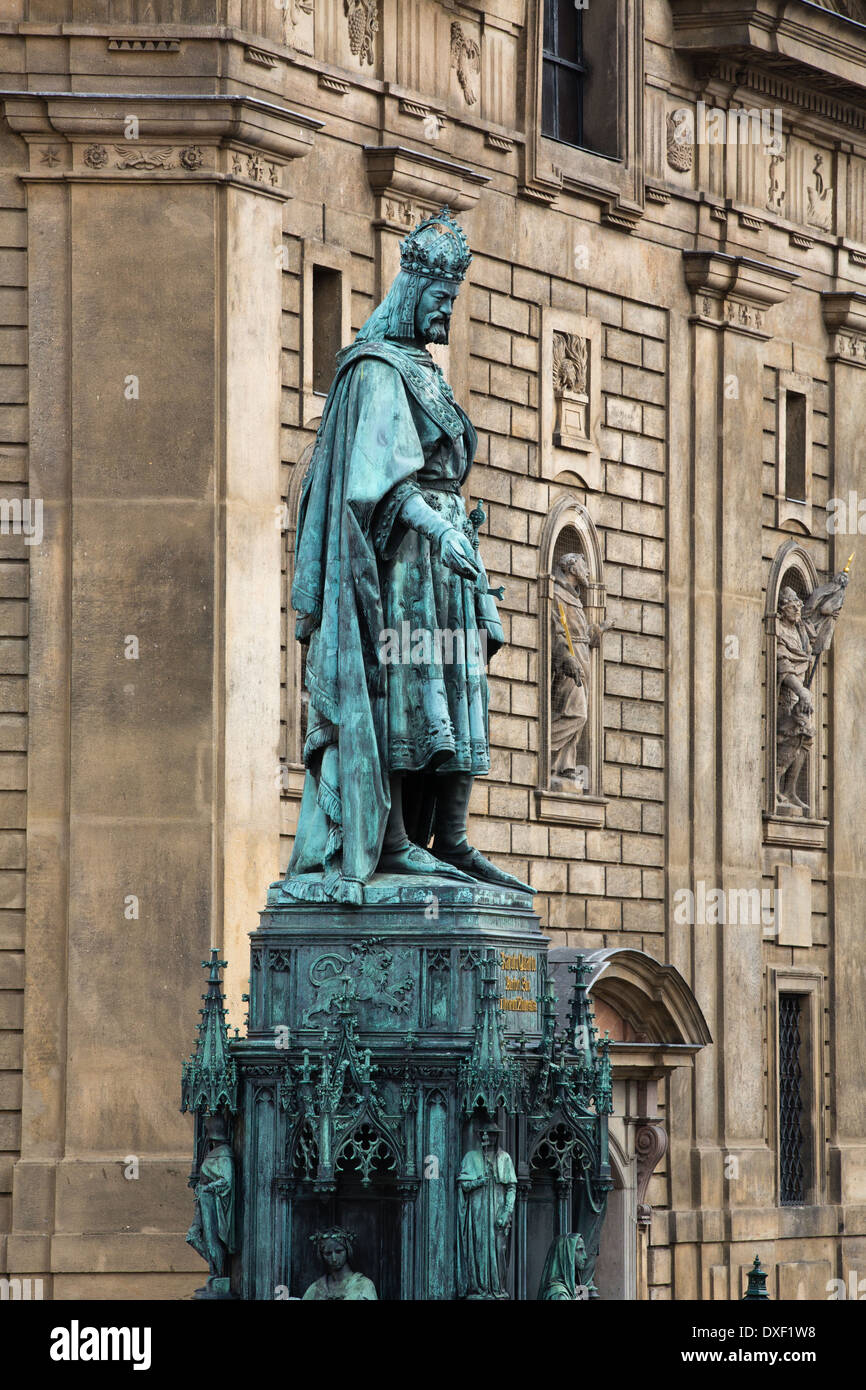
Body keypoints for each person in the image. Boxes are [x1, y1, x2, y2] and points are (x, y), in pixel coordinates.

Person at [285, 208, 530, 904]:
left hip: (447, 564)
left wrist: (461, 533)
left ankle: (448, 838)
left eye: (452, 301)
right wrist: (438, 528)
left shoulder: (421, 367)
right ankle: (391, 842)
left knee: (460, 681)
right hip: (402, 568)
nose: (445, 313)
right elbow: (379, 481)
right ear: (414, 290)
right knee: (405, 693)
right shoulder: (375, 369)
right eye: (440, 300)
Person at [550, 551, 609, 790]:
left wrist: (598, 630)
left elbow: (582, 634)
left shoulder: (575, 598)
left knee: (579, 723)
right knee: (577, 713)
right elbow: (556, 630)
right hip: (570, 663)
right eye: (583, 567)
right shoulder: (557, 593)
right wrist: (566, 657)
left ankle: (566, 767)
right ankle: (543, 744)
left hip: (582, 657)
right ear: (571, 568)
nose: (587, 572)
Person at [456, 1124, 517, 1299]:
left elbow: (511, 1187)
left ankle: (498, 1289)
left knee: (499, 1249)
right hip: (478, 1212)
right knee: (478, 1247)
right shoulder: (471, 1157)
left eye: (489, 1134)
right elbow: (463, 1185)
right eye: (482, 1133)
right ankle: (478, 1288)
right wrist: (478, 1182)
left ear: (496, 1136)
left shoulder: (504, 1158)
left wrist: (507, 1212)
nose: (485, 1137)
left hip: (498, 1211)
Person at [186, 1111, 236, 1286]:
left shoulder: (224, 1154)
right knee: (192, 1236)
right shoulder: (214, 1152)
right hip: (204, 1200)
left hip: (212, 1201)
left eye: (207, 1129)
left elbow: (227, 1180)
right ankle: (215, 1268)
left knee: (213, 1239)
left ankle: (219, 1274)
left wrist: (208, 1188)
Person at [302, 1228, 377, 1301]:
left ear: (347, 1251)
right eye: (328, 1253)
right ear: (322, 1255)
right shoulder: (315, 1289)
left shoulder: (363, 1285)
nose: (334, 1258)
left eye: (339, 1251)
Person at [537, 1232, 589, 1300]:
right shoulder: (558, 1293)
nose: (585, 1256)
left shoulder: (577, 1289)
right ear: (567, 1254)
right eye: (580, 1250)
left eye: (584, 1250)